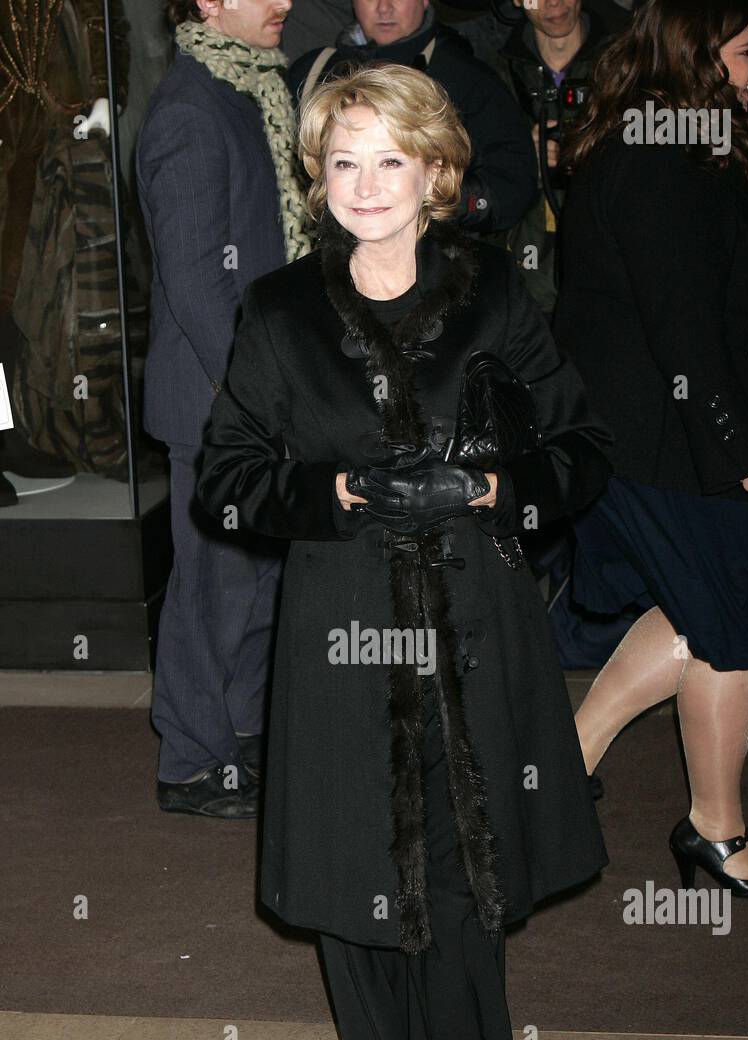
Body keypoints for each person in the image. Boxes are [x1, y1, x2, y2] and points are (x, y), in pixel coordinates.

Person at [195, 63, 612, 1040]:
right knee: (349, 892)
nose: (367, 185)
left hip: (475, 634)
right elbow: (223, 486)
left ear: (434, 173)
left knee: (454, 886)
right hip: (337, 642)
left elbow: (582, 448)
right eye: (343, 161)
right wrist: (329, 490)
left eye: (391, 160)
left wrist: (488, 485)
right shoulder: (278, 313)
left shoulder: (492, 298)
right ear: (316, 177)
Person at [554, 0, 748, 898]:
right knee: (737, 622)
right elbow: (684, 330)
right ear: (699, 51)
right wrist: (743, 450)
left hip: (664, 433)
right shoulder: (656, 154)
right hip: (659, 439)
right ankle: (715, 831)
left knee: (698, 608)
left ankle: (560, 764)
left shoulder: (685, 137)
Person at [136, 0, 312, 817]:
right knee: (211, 588)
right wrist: (253, 396)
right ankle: (192, 761)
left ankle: (238, 731)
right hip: (218, 401)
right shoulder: (191, 109)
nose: (284, 3)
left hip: (251, 391)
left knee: (255, 584)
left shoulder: (248, 91)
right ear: (209, 3)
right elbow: (198, 283)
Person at [288, 0, 538, 237]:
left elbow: (512, 184)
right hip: (321, 257)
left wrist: (428, 196)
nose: (384, 7)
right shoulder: (312, 73)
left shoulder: (467, 78)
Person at [499, 0, 628, 314]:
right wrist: (521, 163)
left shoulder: (625, 64)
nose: (553, 2)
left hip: (609, 278)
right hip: (527, 286)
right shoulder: (495, 72)